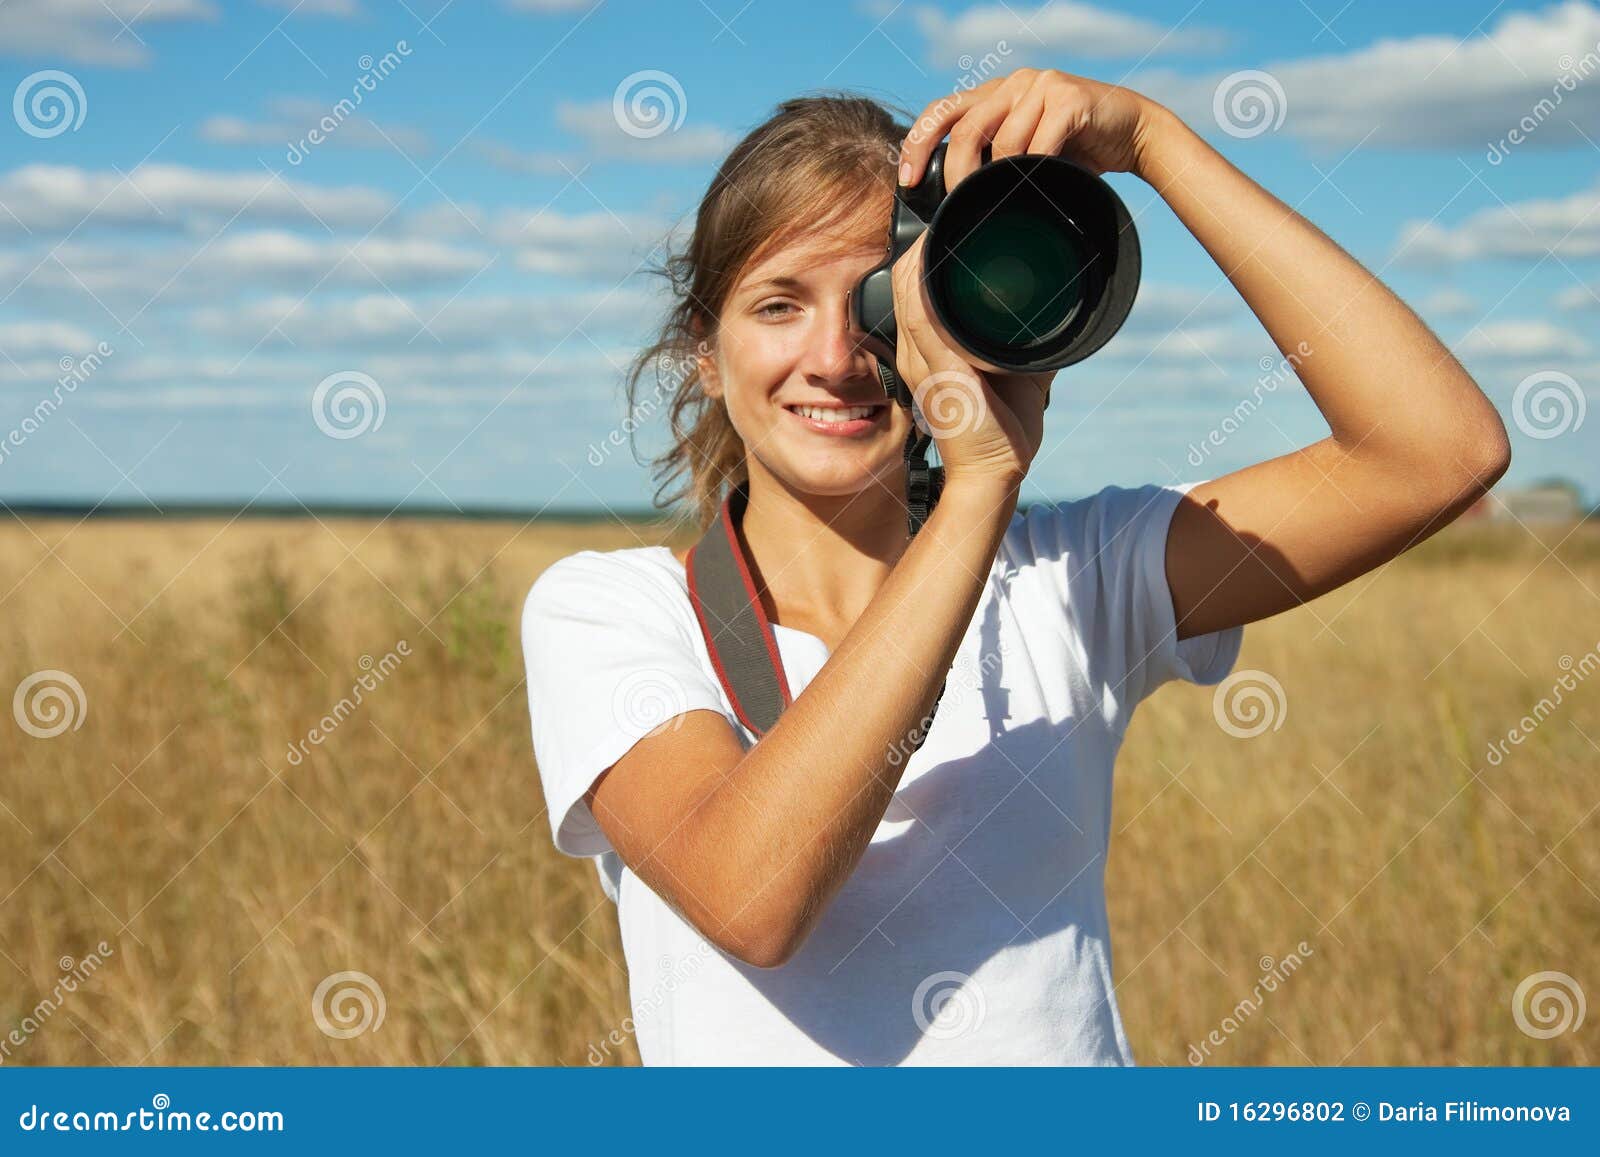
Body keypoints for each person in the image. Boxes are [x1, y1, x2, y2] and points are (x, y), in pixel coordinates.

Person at [520, 71, 1510, 1065]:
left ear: (956, 312)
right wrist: (978, 488)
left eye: (880, 303)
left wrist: (1157, 144)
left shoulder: (1070, 575)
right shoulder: (614, 611)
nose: (834, 357)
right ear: (703, 348)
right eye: (778, 304)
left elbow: (1434, 452)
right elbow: (752, 896)